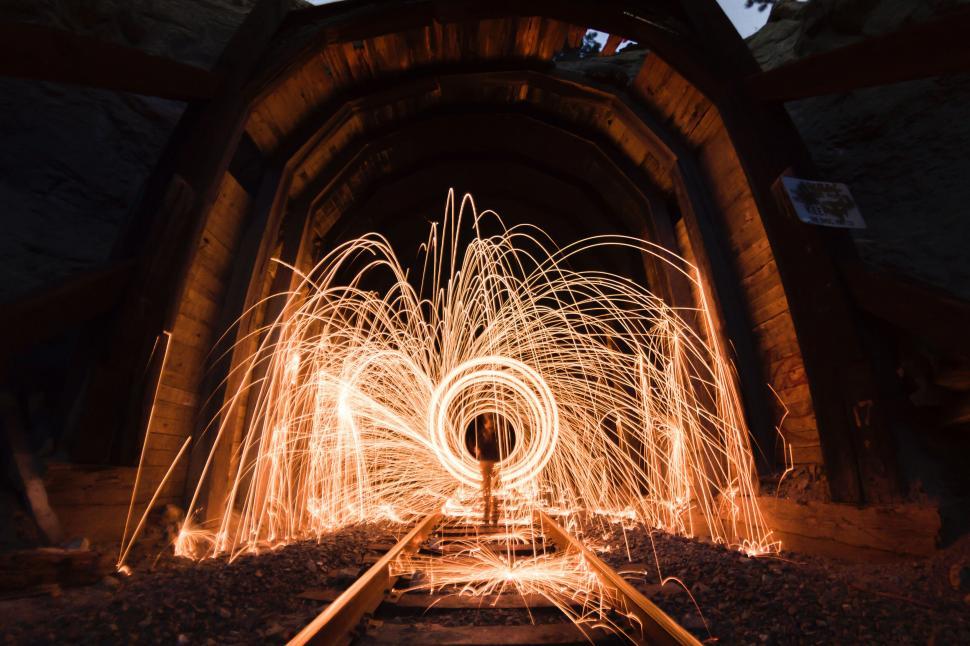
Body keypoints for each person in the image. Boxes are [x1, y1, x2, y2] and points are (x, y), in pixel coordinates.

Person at [471, 412, 501, 526]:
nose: (490, 423)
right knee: (486, 484)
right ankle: (487, 504)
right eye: (489, 421)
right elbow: (478, 447)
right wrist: (477, 449)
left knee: (496, 484)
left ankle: (495, 506)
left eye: (491, 421)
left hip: (495, 462)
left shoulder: (497, 433)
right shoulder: (482, 434)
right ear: (486, 423)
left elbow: (501, 447)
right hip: (485, 462)